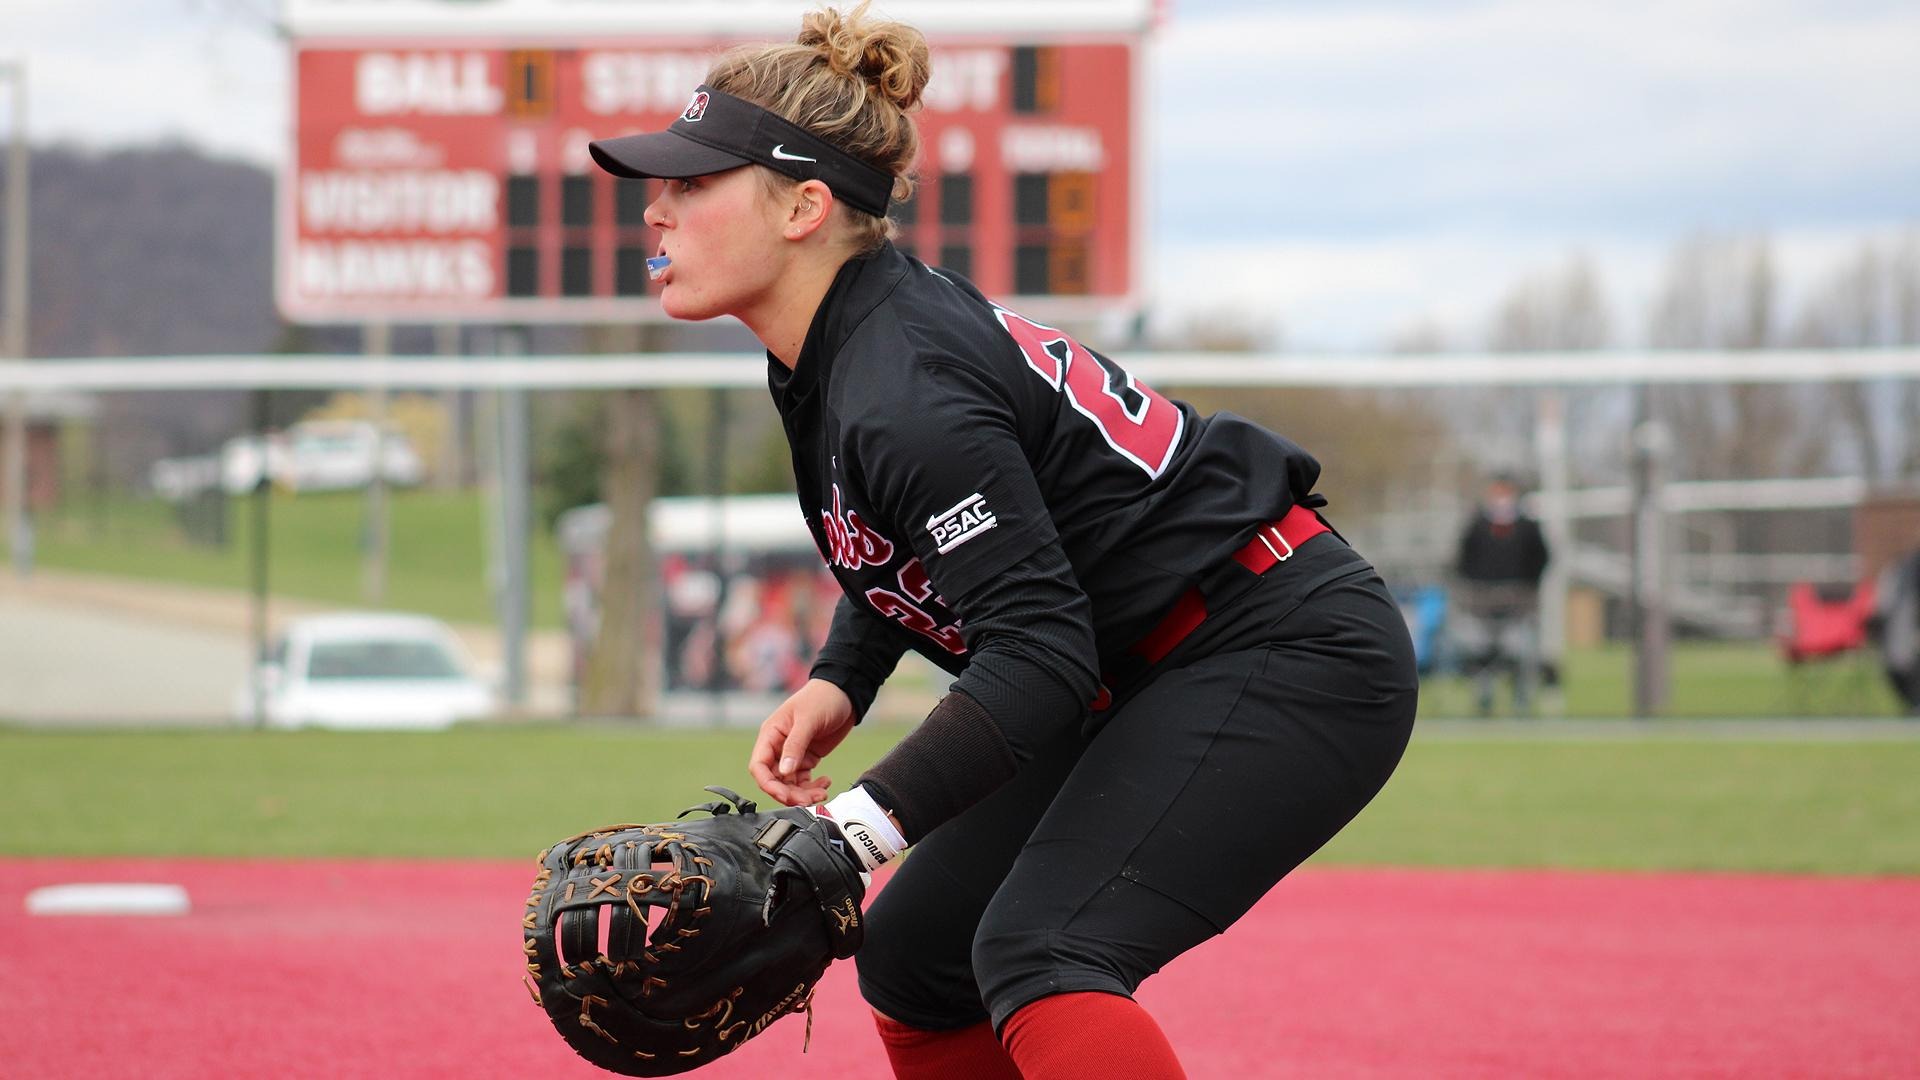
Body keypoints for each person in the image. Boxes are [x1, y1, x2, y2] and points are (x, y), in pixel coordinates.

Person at [587, 6, 1418, 1075]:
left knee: (1045, 950)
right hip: (1151, 656)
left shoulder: (900, 385)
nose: (655, 211)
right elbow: (933, 533)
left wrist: (850, 833)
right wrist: (847, 671)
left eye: (692, 184)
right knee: (920, 960)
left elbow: (1037, 658)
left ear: (803, 206)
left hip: (1276, 648)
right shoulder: (849, 345)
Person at [1451, 473, 1551, 717]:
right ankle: (1484, 697)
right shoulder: (1477, 525)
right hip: (1481, 602)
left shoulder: (1527, 527)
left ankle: (1520, 700)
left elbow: (1541, 558)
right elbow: (1462, 559)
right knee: (1480, 652)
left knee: (1517, 652)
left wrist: (1528, 586)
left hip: (1518, 602)